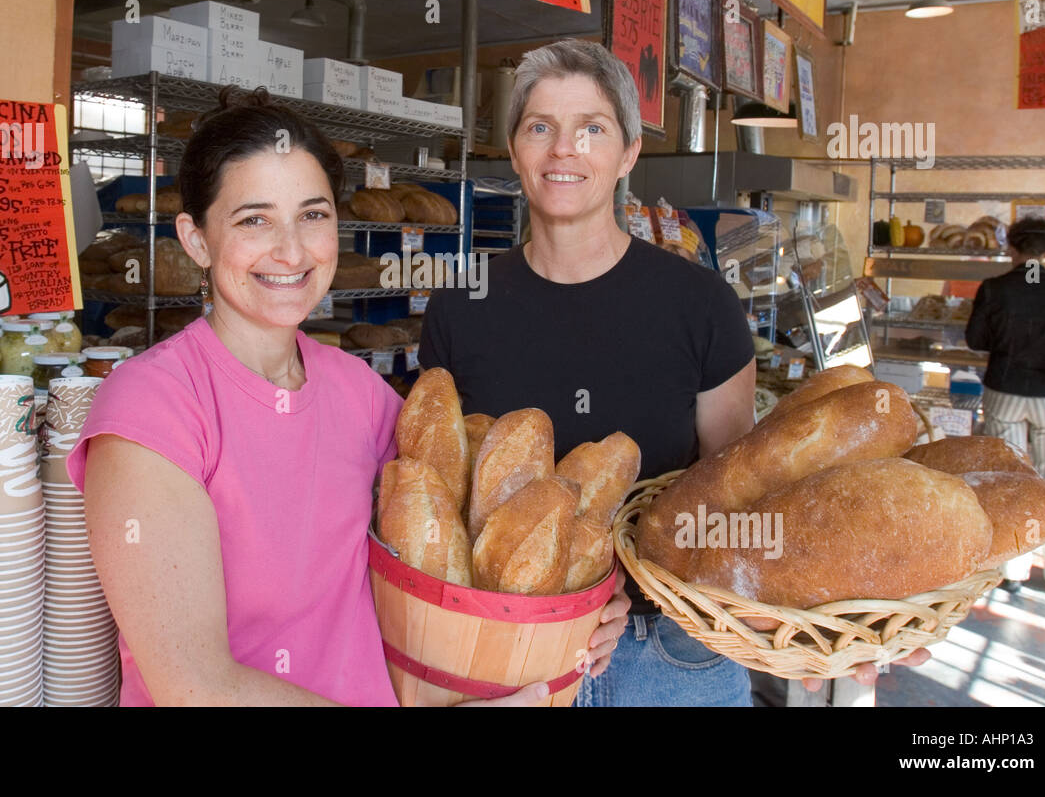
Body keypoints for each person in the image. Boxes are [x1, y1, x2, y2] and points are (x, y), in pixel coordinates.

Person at [65, 87, 628, 706]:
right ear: (196, 240)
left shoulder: (358, 391)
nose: (291, 249)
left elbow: (460, 544)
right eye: (254, 219)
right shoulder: (153, 407)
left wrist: (579, 599)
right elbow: (195, 686)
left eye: (313, 215)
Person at [420, 39, 925, 706]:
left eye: (592, 129)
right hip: (506, 655)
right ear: (514, 150)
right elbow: (442, 490)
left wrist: (825, 627)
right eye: (540, 127)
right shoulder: (462, 304)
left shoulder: (700, 304)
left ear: (629, 152)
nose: (563, 149)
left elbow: (737, 494)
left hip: (666, 654)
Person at [966, 216, 1045, 599]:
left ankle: (1010, 571)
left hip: (1005, 392)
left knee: (1007, 481)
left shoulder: (995, 288)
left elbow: (976, 340)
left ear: (1011, 248)